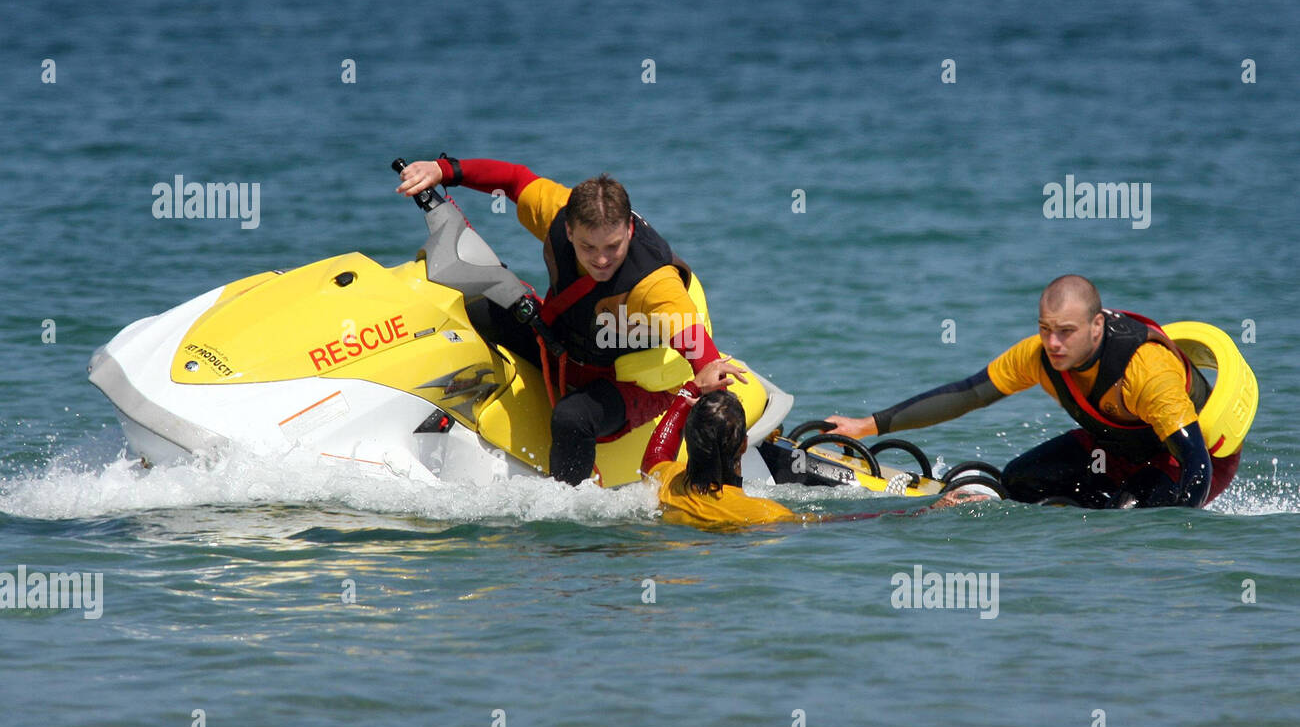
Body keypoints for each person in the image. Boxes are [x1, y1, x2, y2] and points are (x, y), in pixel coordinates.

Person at [397, 155, 745, 485]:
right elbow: (516, 181)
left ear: (627, 229)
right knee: (470, 308)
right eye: (588, 248)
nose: (602, 259)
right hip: (563, 344)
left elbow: (695, 342)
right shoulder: (559, 213)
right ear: (568, 231)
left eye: (612, 246)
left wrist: (708, 368)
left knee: (572, 418)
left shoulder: (653, 283)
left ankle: (569, 517)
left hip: (630, 384)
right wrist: (443, 170)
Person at [824, 275, 1240, 509]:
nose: (1053, 343)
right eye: (1046, 330)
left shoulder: (1146, 370)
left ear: (1097, 327)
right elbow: (969, 394)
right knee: (1019, 482)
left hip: (1185, 456)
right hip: (1113, 446)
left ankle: (1110, 508)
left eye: (1066, 332)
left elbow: (1197, 465)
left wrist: (1181, 539)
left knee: (1128, 513)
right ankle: (1088, 509)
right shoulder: (1038, 356)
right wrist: (866, 425)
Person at [640, 375, 989, 528]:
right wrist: (926, 510)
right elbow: (840, 523)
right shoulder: (761, 513)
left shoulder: (666, 484)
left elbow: (654, 455)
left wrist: (689, 392)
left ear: (689, 441)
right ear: (744, 445)